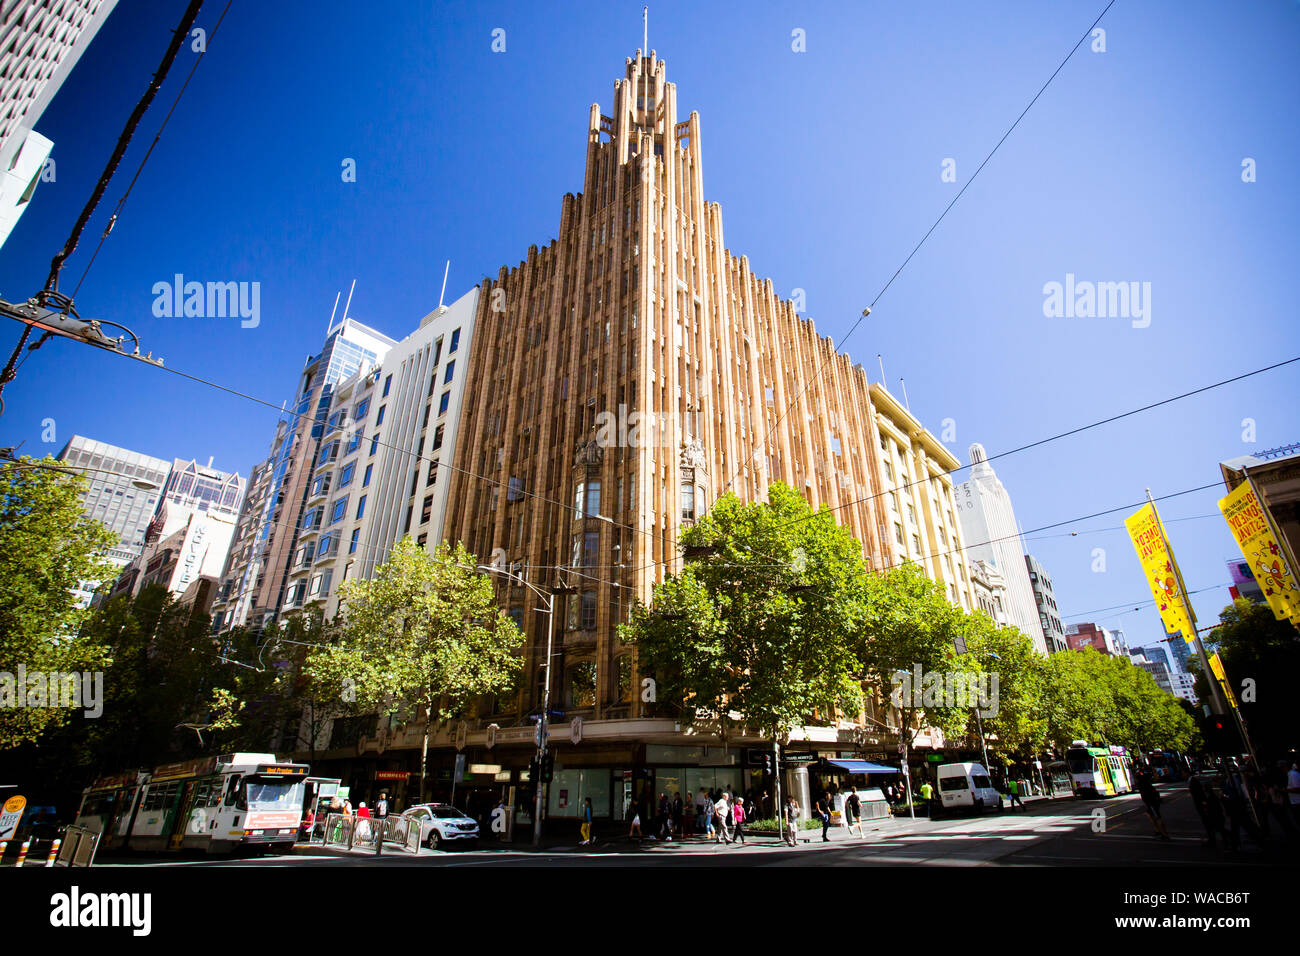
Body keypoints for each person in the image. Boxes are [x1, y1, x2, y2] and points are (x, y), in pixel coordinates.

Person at [1133, 767, 1169, 840]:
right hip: (1151, 802)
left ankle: (1164, 834)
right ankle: (1158, 830)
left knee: (1157, 817)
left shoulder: (1143, 786)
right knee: (1150, 815)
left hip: (1151, 802)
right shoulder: (1146, 784)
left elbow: (1145, 796)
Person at [374, 791, 389, 856]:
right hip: (383, 817)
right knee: (381, 829)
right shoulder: (386, 802)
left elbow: (375, 809)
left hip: (378, 817)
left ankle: (375, 840)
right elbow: (387, 810)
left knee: (376, 828)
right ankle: (380, 841)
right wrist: (386, 816)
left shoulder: (378, 802)